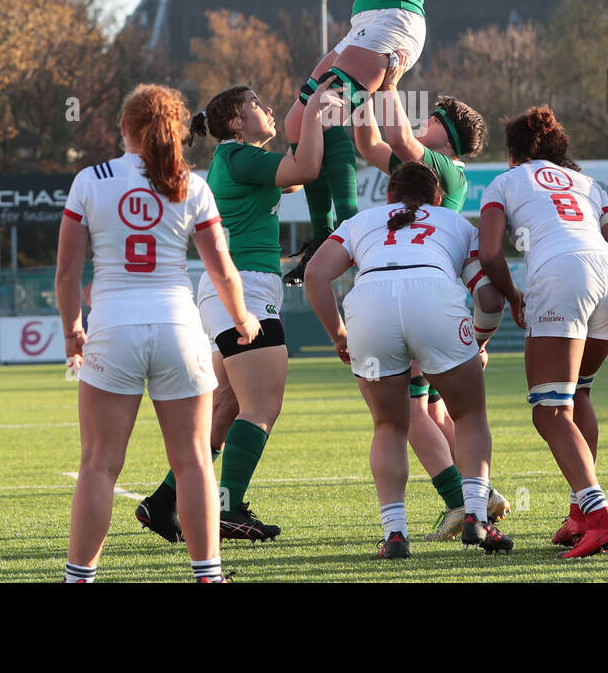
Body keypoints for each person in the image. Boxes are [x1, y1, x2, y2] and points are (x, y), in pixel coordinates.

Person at [56, 83, 261, 584]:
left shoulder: (91, 180)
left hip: (112, 331)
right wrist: (242, 319)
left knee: (99, 465)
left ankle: (79, 577)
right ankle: (208, 575)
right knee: (193, 461)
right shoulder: (191, 184)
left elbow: (66, 274)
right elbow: (223, 271)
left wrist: (71, 333)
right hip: (179, 330)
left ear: (125, 126)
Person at [135, 83, 340, 544]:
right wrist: (312, 111)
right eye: (256, 106)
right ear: (234, 123)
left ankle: (163, 502)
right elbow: (306, 166)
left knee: (227, 404)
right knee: (262, 406)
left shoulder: (237, 160)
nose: (267, 109)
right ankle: (226, 508)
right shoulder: (238, 155)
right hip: (243, 290)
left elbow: (298, 174)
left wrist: (312, 122)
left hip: (229, 290)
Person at [304, 161, 512, 558]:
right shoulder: (453, 221)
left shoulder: (363, 221)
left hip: (370, 305)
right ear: (437, 198)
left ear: (388, 197)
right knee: (468, 415)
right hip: (434, 299)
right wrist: (478, 344)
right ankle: (474, 515)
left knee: (389, 425)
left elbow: (316, 274)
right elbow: (489, 299)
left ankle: (395, 534)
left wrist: (338, 334)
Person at [351, 70, 510, 539]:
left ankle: (461, 503)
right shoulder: (423, 172)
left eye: (435, 118)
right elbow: (369, 143)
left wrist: (387, 80)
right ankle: (480, 495)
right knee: (437, 414)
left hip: (418, 298)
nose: (425, 121)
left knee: (409, 409)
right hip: (435, 302)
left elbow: (396, 135)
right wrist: (362, 96)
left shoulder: (445, 167)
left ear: (450, 137)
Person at [281, 0, 444, 284]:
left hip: (396, 21)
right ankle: (321, 234)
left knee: (324, 112)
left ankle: (344, 227)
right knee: (297, 125)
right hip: (362, 26)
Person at [478, 106, 608, 559]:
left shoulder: (505, 182)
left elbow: (489, 254)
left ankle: (600, 520)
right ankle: (580, 515)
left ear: (512, 153)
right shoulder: (587, 184)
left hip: (562, 275)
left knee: (549, 410)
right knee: (578, 394)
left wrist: (513, 295)